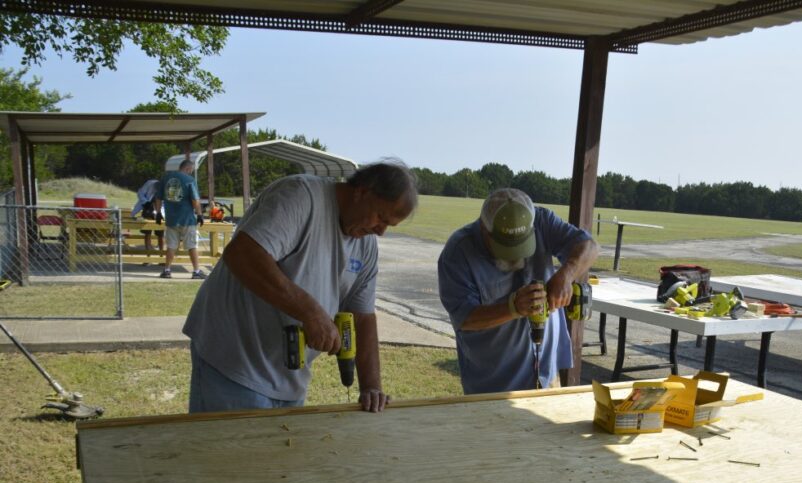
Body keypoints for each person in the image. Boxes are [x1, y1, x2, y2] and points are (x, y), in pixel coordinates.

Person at [182, 159, 418, 414]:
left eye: (389, 225)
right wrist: (310, 312)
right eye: (380, 217)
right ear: (362, 192)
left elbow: (362, 316)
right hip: (233, 363)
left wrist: (371, 386)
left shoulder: (366, 245)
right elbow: (243, 255)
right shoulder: (301, 196)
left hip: (290, 378)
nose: (381, 232)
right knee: (233, 442)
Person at [438, 188, 598, 394]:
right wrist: (512, 308)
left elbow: (589, 246)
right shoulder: (458, 253)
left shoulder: (541, 221)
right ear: (485, 229)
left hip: (547, 375)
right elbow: (465, 319)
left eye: (521, 246)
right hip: (493, 387)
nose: (516, 258)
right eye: (506, 248)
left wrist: (566, 275)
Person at [154, 159, 206, 279]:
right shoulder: (190, 180)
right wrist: (199, 214)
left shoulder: (166, 178)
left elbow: (158, 197)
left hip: (171, 219)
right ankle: (196, 271)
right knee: (192, 245)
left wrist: (158, 213)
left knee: (171, 245)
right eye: (191, 170)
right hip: (187, 219)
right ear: (188, 168)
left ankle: (167, 270)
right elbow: (195, 200)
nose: (191, 172)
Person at [131, 178, 164, 252]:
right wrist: (145, 202)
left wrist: (158, 213)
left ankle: (161, 254)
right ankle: (148, 254)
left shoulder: (164, 189)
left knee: (160, 234)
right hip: (147, 207)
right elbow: (140, 193)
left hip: (159, 210)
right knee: (147, 232)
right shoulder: (149, 183)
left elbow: (164, 204)